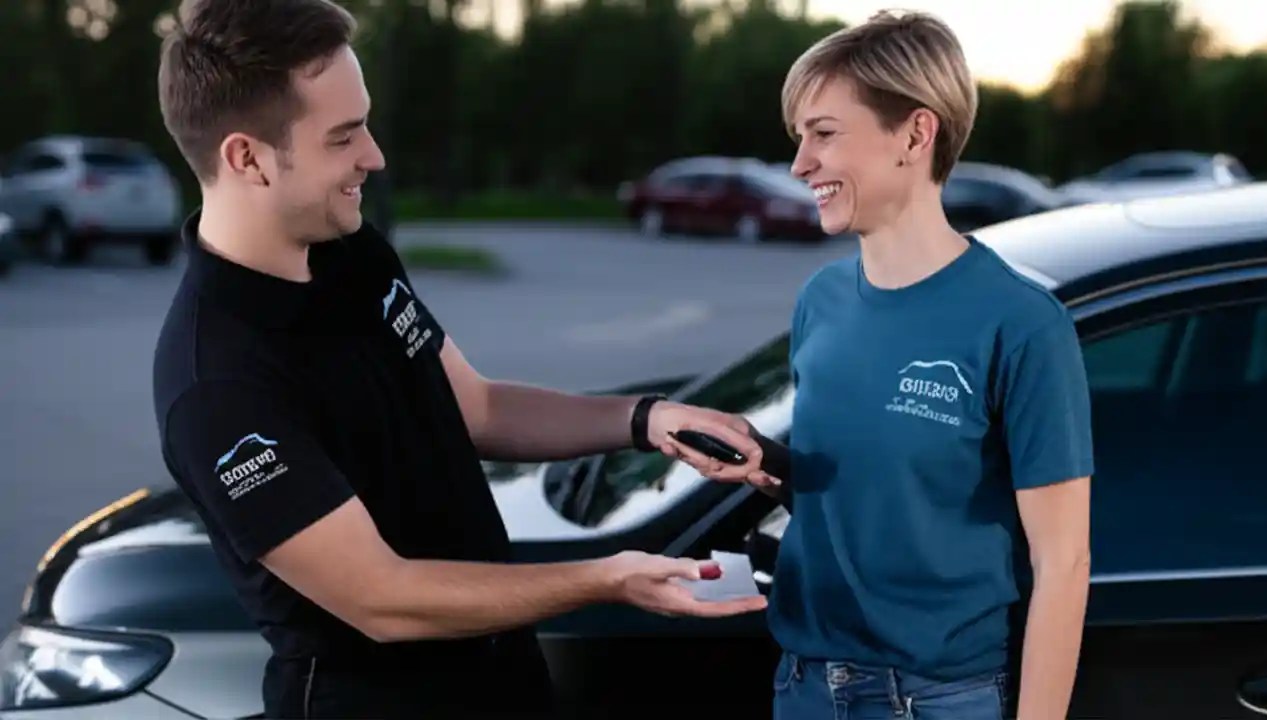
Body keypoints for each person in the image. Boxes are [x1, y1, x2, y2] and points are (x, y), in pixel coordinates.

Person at [150, 1, 770, 717]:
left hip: (502, 680)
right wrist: (606, 579)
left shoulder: (352, 253)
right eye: (343, 136)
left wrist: (644, 418)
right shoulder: (215, 382)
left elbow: (474, 406)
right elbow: (383, 598)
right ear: (246, 157)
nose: (374, 156)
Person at [683, 10, 1094, 720]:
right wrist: (771, 467)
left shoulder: (1021, 324)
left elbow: (1064, 565)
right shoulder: (822, 301)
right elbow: (879, 492)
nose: (799, 165)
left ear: (915, 133)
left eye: (824, 133)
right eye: (799, 137)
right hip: (805, 688)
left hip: (941, 700)